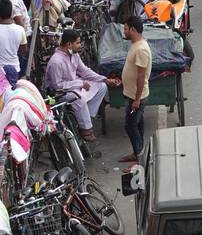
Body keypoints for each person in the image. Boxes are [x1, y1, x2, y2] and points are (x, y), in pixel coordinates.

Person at [45, 29, 108, 145]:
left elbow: (84, 71)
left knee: (102, 86)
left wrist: (103, 78)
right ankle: (85, 128)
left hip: (75, 85)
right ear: (69, 44)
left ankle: (85, 116)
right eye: (77, 43)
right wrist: (80, 84)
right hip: (60, 93)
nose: (80, 45)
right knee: (79, 98)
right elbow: (57, 85)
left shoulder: (74, 55)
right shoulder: (56, 61)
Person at [115, 14, 151, 163]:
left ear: (133, 30)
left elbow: (141, 76)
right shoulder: (136, 45)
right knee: (138, 124)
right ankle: (139, 152)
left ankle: (139, 156)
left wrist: (136, 100)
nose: (124, 31)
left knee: (130, 126)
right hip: (130, 94)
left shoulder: (141, 49)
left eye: (126, 29)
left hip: (136, 97)